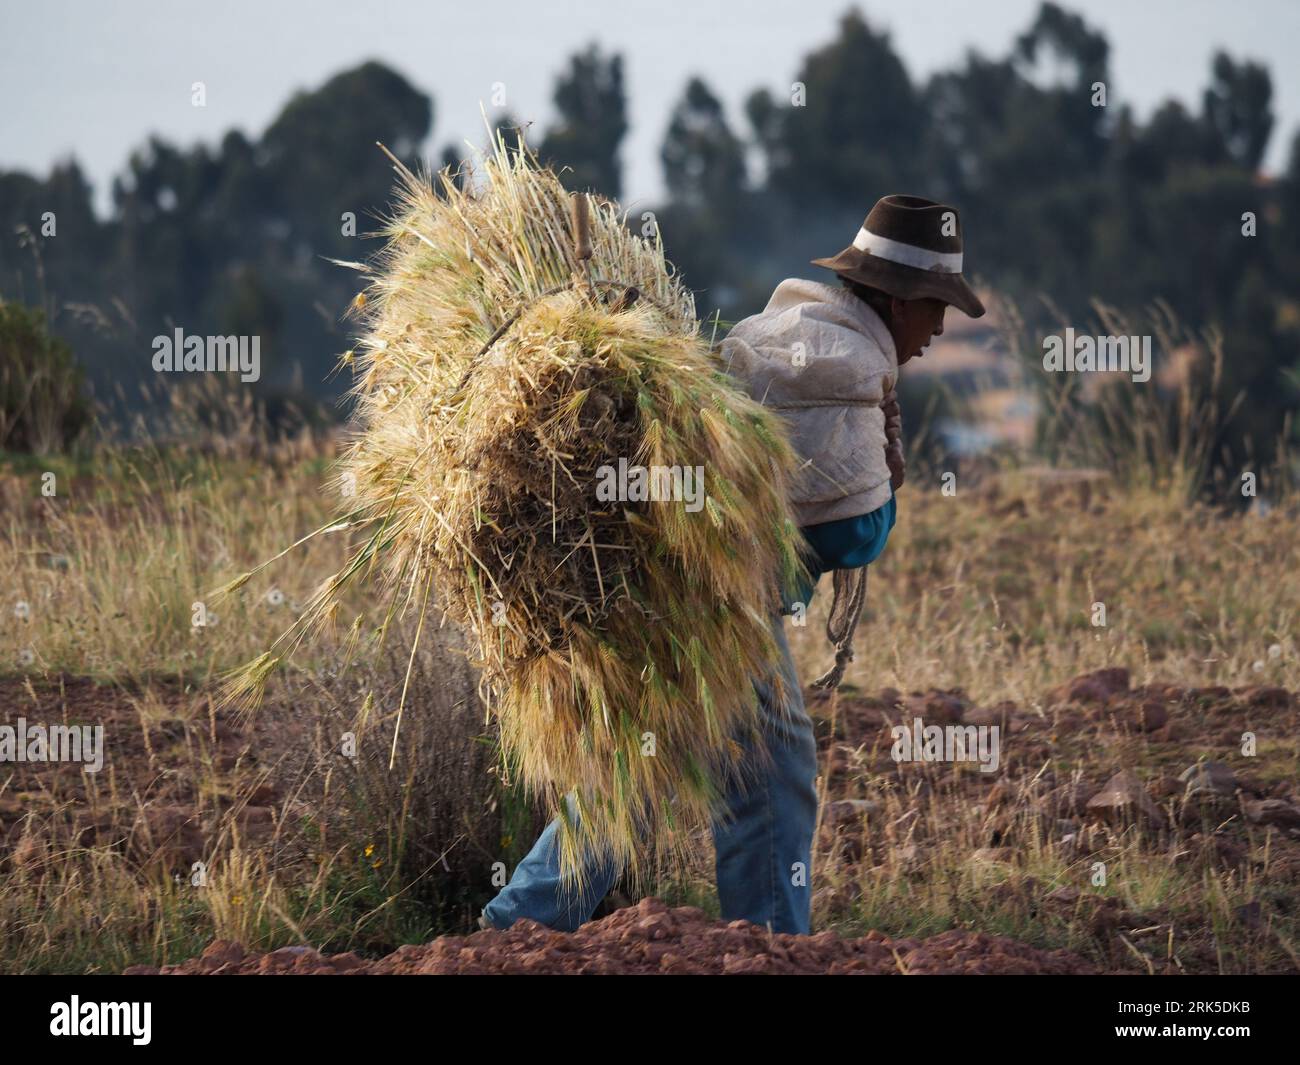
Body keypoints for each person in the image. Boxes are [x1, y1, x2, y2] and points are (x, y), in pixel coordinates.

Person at [481, 194, 984, 935]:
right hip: (720, 597)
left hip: (666, 579)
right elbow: (844, 533)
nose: (939, 329)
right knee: (772, 769)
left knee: (646, 768)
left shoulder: (792, 330)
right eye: (934, 307)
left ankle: (516, 930)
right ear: (898, 299)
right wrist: (888, 477)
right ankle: (770, 943)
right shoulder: (843, 375)